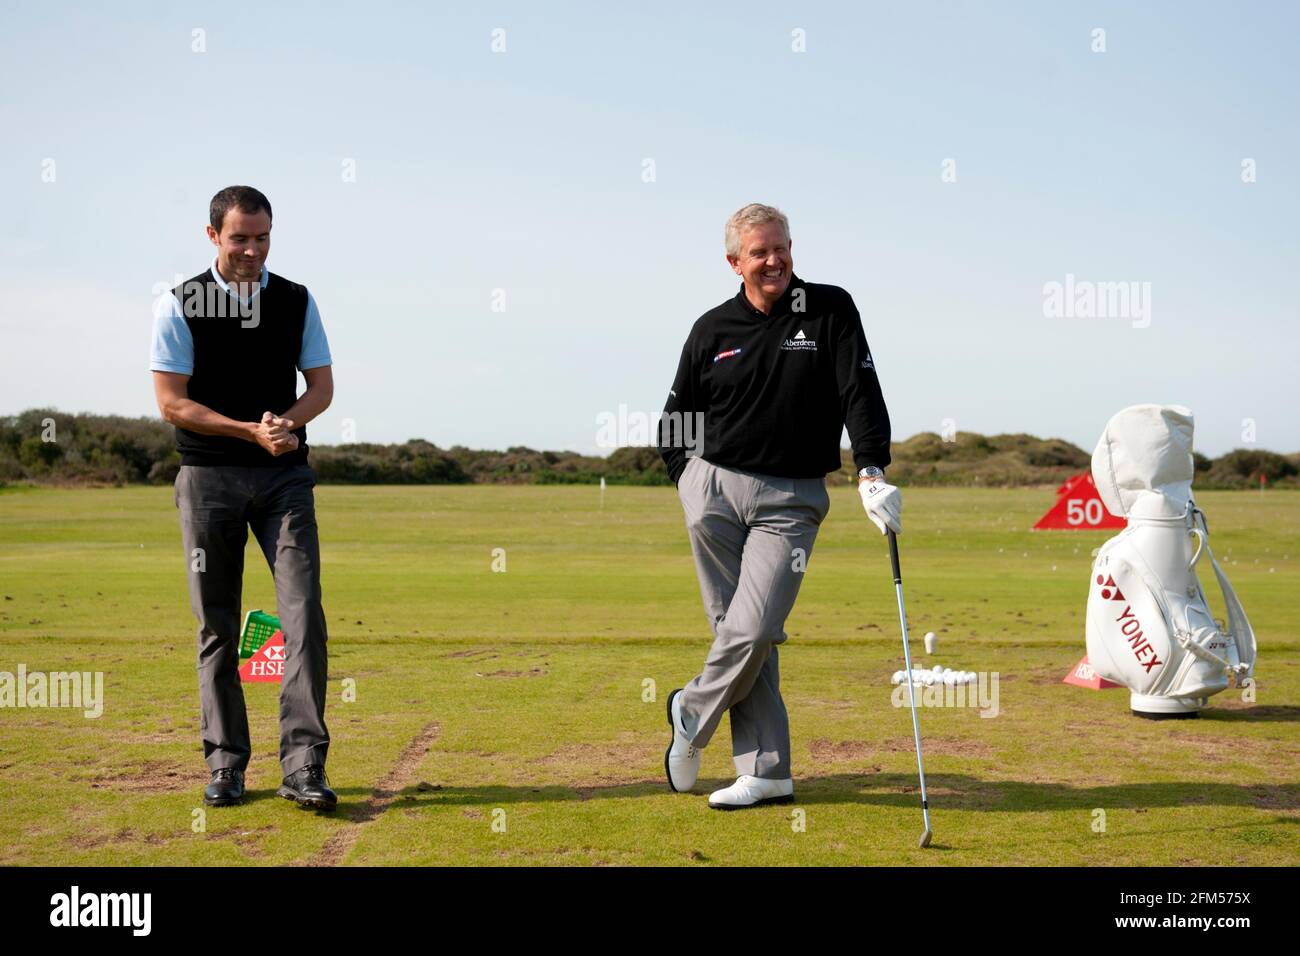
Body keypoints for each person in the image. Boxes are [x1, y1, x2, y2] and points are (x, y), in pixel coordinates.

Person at [657, 202, 901, 809]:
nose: (774, 261)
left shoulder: (828, 309)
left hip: (791, 497)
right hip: (713, 490)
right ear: (734, 262)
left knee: (757, 625)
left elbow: (859, 391)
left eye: (781, 247)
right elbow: (676, 418)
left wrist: (871, 469)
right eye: (759, 252)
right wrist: (688, 480)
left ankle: (690, 709)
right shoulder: (711, 328)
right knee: (735, 630)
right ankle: (767, 770)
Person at [149, 185, 338, 810]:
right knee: (218, 628)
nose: (253, 249)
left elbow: (322, 388)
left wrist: (286, 422)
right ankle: (226, 766)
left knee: (303, 614)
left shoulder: (296, 300)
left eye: (262, 237)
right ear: (212, 236)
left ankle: (304, 766)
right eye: (240, 238)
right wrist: (246, 430)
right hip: (207, 479)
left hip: (285, 479)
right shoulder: (178, 304)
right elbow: (173, 404)